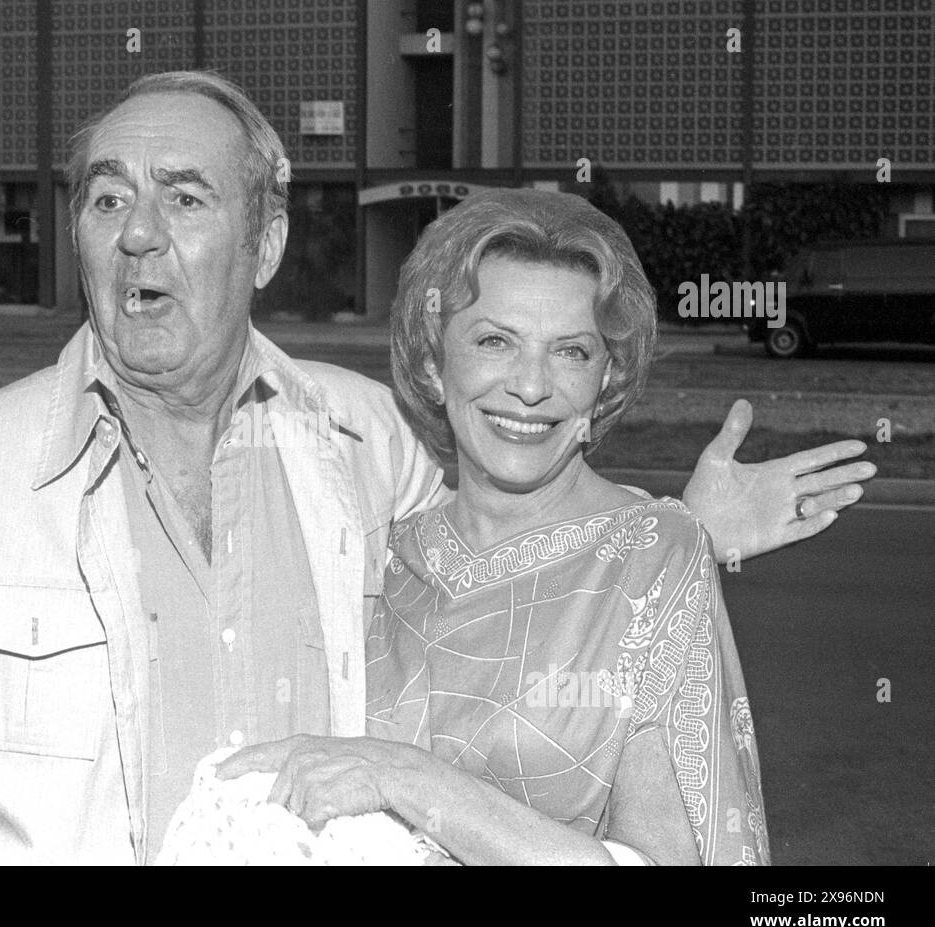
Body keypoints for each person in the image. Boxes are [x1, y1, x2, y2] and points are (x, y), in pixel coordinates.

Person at [0, 71, 872, 864]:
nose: (137, 234)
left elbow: (527, 567)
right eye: (107, 195)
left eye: (184, 197)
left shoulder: (368, 449)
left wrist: (677, 529)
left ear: (265, 239)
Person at [218, 190, 770, 864]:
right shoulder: (378, 553)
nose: (531, 386)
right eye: (494, 341)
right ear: (431, 362)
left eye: (571, 352)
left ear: (606, 378)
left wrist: (405, 776)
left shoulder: (659, 561)